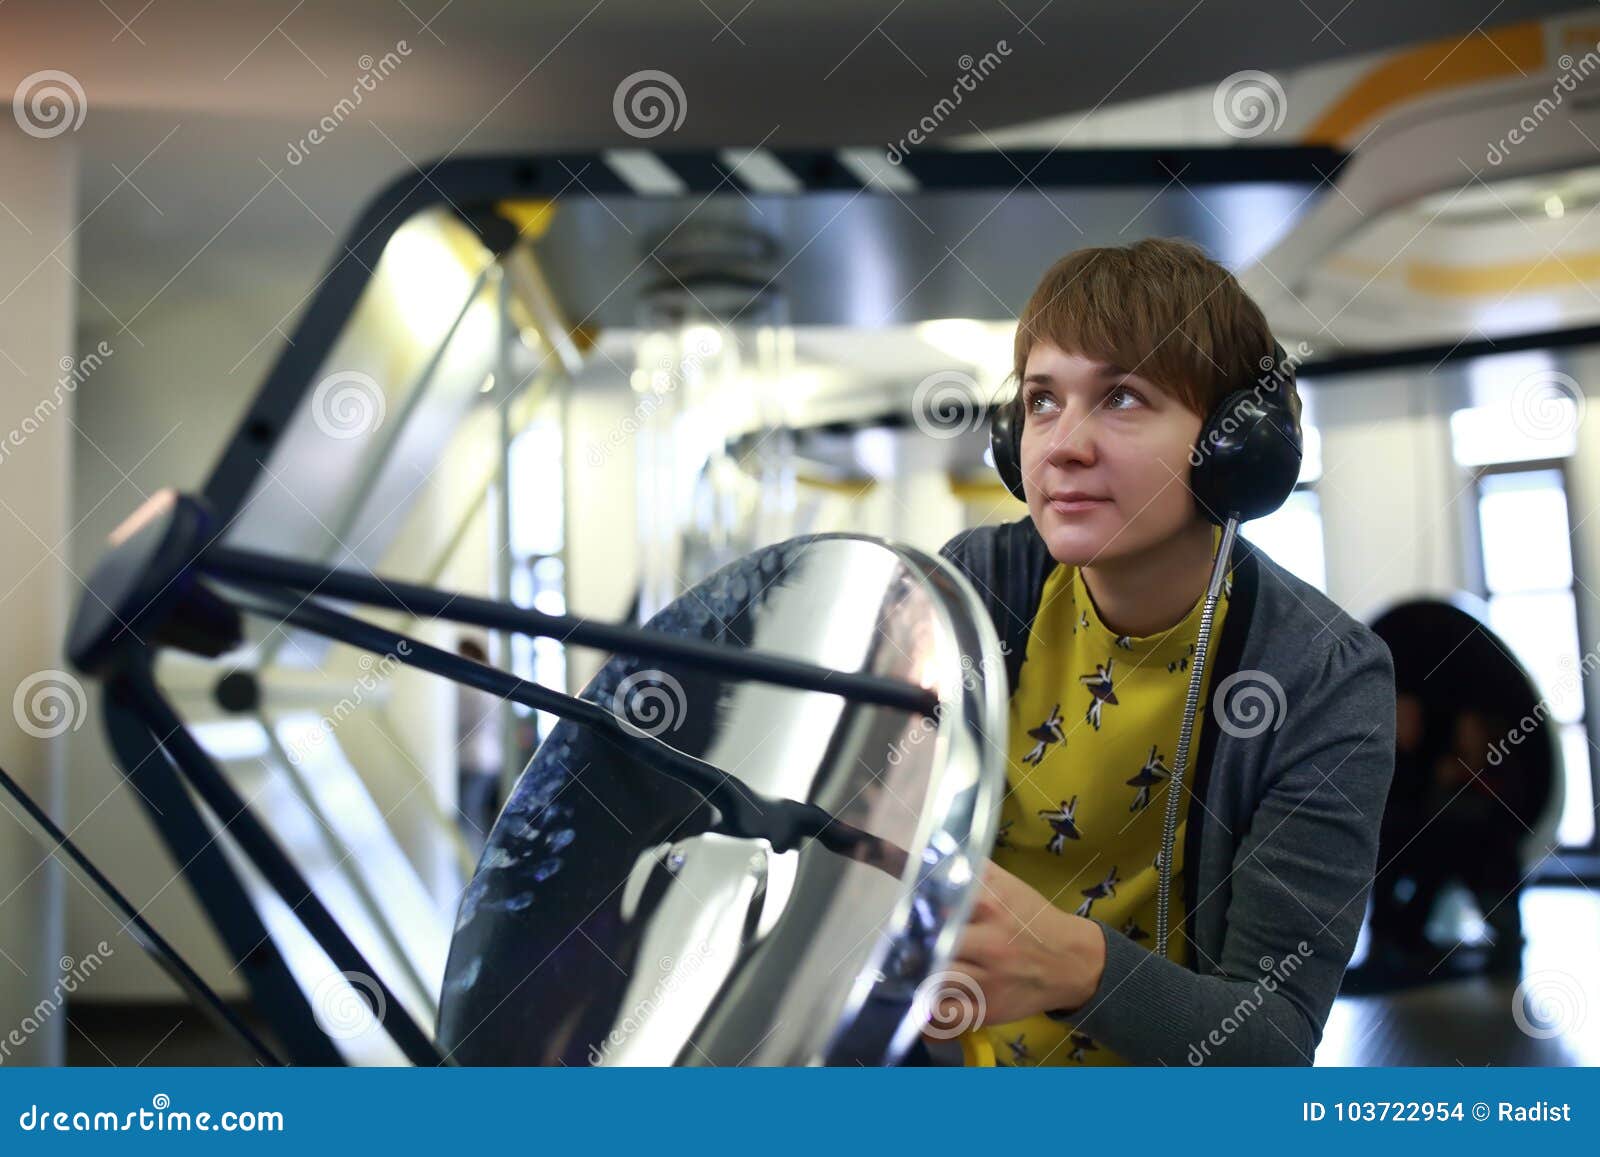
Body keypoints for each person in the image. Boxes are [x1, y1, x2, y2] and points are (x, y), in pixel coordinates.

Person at [929, 237, 1397, 1066]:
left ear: (1235, 446)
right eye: (1041, 401)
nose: (1062, 445)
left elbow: (1274, 1042)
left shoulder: (1321, 675)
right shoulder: (977, 585)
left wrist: (1065, 960)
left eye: (1121, 398)